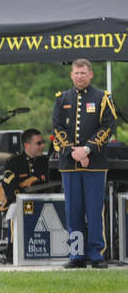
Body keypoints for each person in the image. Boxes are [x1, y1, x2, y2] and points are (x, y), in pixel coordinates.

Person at [51, 58, 117, 268]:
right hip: (70, 165)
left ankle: (96, 254)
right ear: (71, 75)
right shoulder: (62, 99)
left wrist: (87, 149)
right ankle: (77, 254)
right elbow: (57, 128)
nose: (79, 76)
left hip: (94, 164)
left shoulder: (102, 98)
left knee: (95, 209)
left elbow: (107, 128)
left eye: (83, 73)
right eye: (76, 73)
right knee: (73, 210)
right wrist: (74, 152)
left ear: (91, 74)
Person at [0, 128, 54, 221]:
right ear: (27, 145)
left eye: (43, 142)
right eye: (38, 143)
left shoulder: (46, 162)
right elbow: (7, 181)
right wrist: (17, 196)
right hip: (18, 205)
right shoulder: (14, 160)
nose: (42, 146)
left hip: (40, 206)